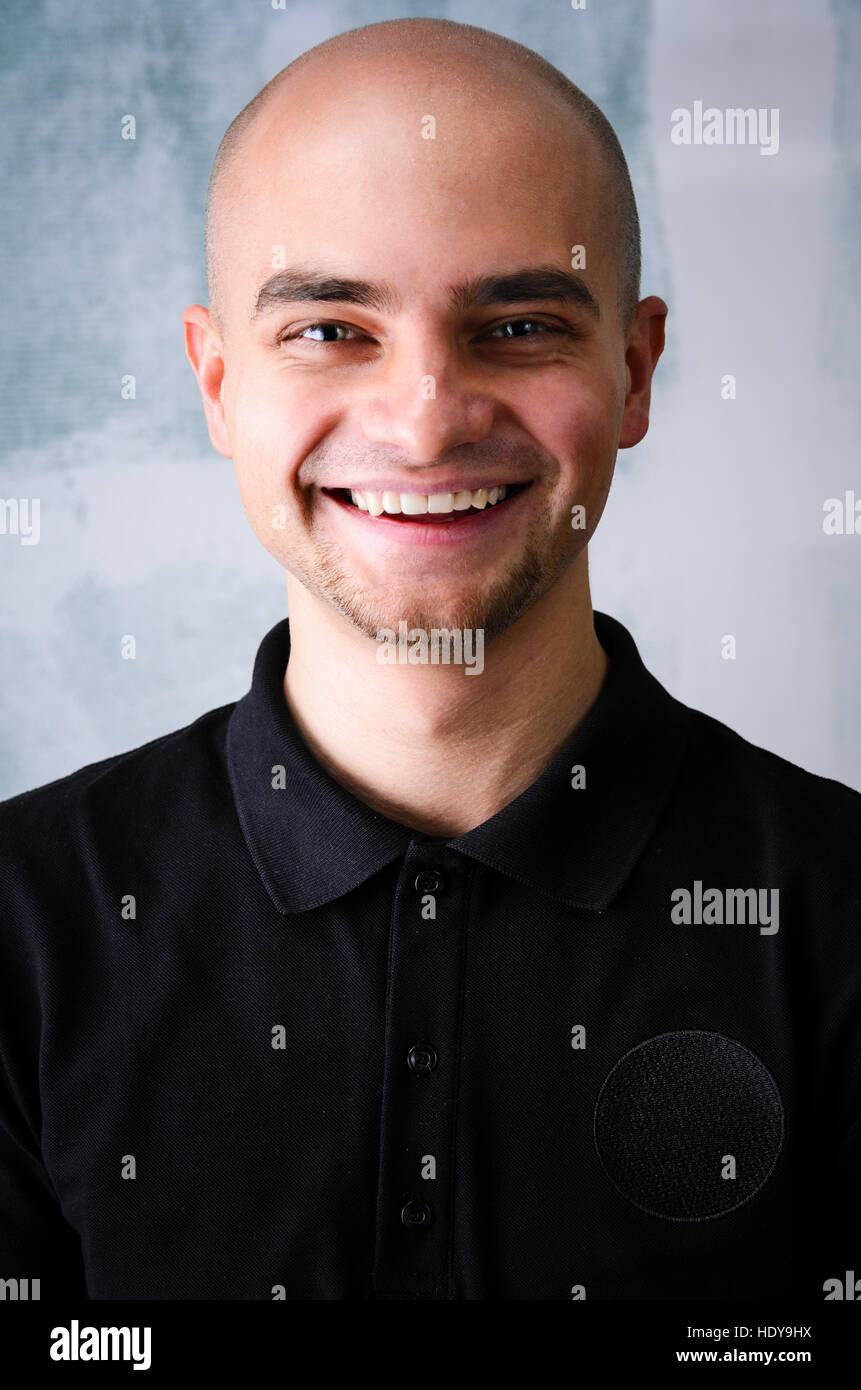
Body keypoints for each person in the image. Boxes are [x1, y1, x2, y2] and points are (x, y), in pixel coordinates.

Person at [0, 17, 858, 1302]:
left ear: (635, 369)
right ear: (218, 381)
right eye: (332, 328)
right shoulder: (19, 930)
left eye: (516, 325)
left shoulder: (842, 923)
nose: (424, 417)